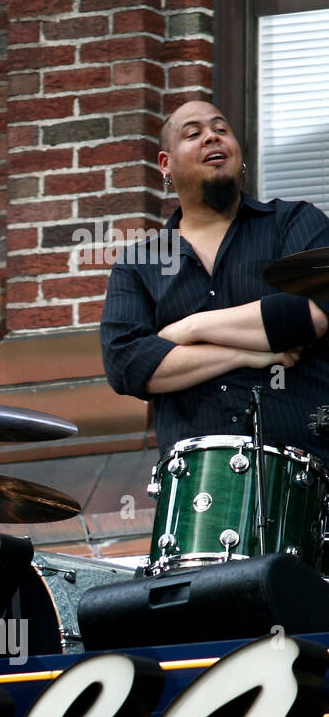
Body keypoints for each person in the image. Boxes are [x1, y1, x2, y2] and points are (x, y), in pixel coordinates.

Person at [101, 99, 329, 462]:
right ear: (166, 165)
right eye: (194, 133)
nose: (212, 137)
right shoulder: (138, 265)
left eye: (221, 130)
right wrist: (246, 352)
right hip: (197, 487)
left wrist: (189, 328)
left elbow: (311, 313)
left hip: (308, 475)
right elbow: (127, 365)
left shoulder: (295, 221)